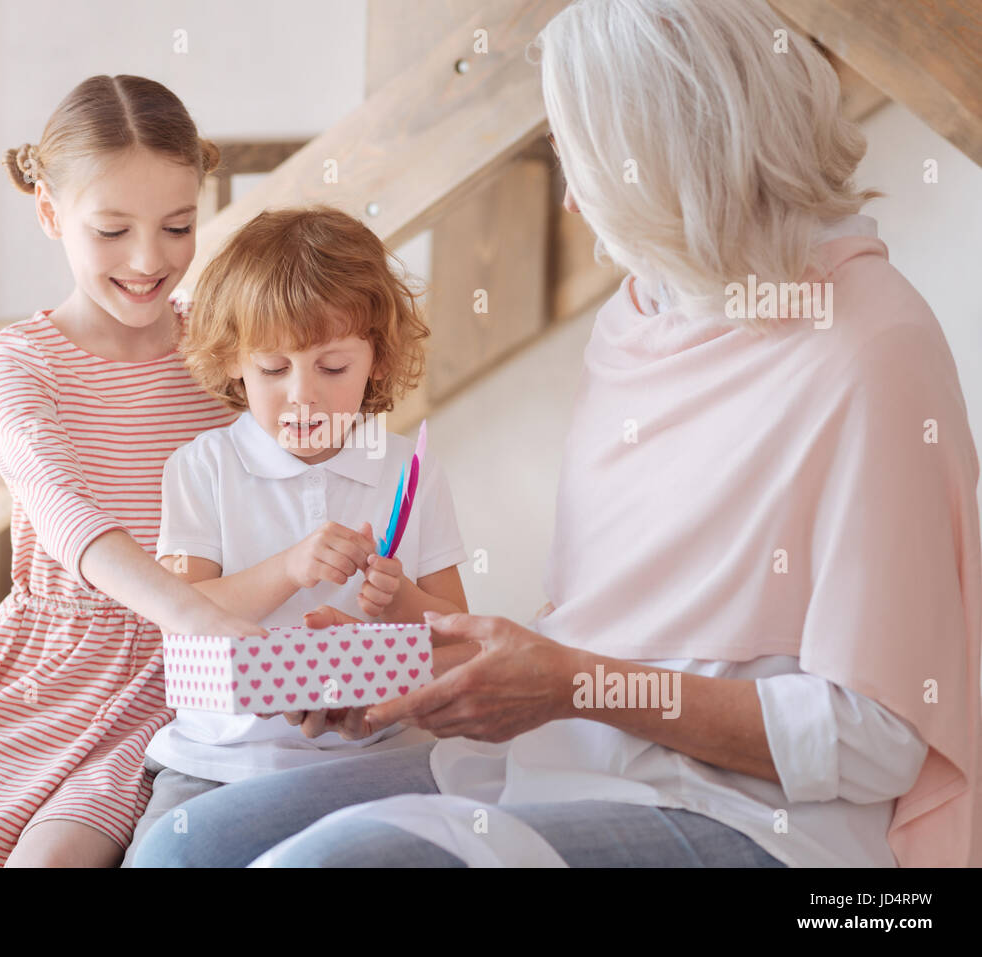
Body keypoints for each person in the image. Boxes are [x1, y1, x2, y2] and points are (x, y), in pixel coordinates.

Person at [127, 0, 981, 868]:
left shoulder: (872, 349)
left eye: (583, 164)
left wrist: (574, 684)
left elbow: (878, 740)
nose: (572, 200)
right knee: (184, 851)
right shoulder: (640, 318)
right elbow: (589, 635)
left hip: (752, 815)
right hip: (568, 753)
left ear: (671, 159)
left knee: (328, 864)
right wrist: (413, 673)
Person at [0, 74, 266, 869]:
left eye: (178, 226)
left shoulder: (221, 353)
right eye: (112, 229)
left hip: (163, 674)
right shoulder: (22, 361)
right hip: (43, 666)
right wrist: (194, 611)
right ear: (49, 212)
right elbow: (61, 507)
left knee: (51, 859)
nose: (150, 260)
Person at [123, 206, 470, 865]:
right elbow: (184, 622)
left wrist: (401, 607)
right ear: (233, 363)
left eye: (332, 368)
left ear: (376, 360)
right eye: (274, 369)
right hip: (221, 761)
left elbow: (459, 643)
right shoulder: (202, 468)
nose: (302, 396)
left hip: (375, 758)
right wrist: (288, 566)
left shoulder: (407, 471)